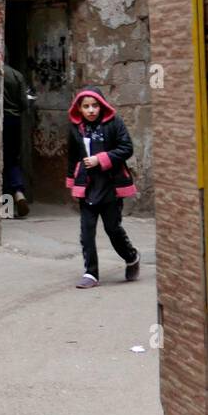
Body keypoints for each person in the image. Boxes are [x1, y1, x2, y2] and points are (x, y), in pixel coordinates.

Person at [66, 86, 140, 288]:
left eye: (95, 106)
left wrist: (101, 159)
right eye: (86, 106)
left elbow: (126, 148)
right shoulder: (75, 128)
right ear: (79, 109)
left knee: (112, 228)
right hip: (88, 186)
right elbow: (73, 156)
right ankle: (91, 273)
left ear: (102, 106)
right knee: (86, 231)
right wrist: (72, 182)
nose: (91, 110)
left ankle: (131, 256)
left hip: (110, 185)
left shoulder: (114, 123)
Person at [2, 63, 33, 217]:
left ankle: (6, 209)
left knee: (0, 163)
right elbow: (24, 103)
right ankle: (19, 193)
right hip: (13, 120)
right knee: (12, 159)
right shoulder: (16, 74)